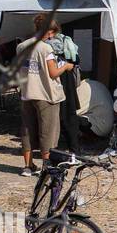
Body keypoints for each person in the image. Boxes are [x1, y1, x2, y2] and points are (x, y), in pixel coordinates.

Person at [16, 18, 75, 177]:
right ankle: (46, 167)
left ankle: (27, 166)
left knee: (28, 129)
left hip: (27, 93)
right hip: (45, 94)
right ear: (49, 31)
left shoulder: (21, 46)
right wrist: (66, 66)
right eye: (52, 34)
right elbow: (53, 72)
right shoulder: (45, 49)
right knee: (47, 131)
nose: (52, 37)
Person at [38, 15, 82, 155]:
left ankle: (60, 149)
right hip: (60, 79)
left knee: (59, 115)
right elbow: (76, 60)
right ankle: (70, 148)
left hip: (56, 80)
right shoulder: (65, 41)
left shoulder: (41, 44)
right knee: (64, 114)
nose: (50, 35)